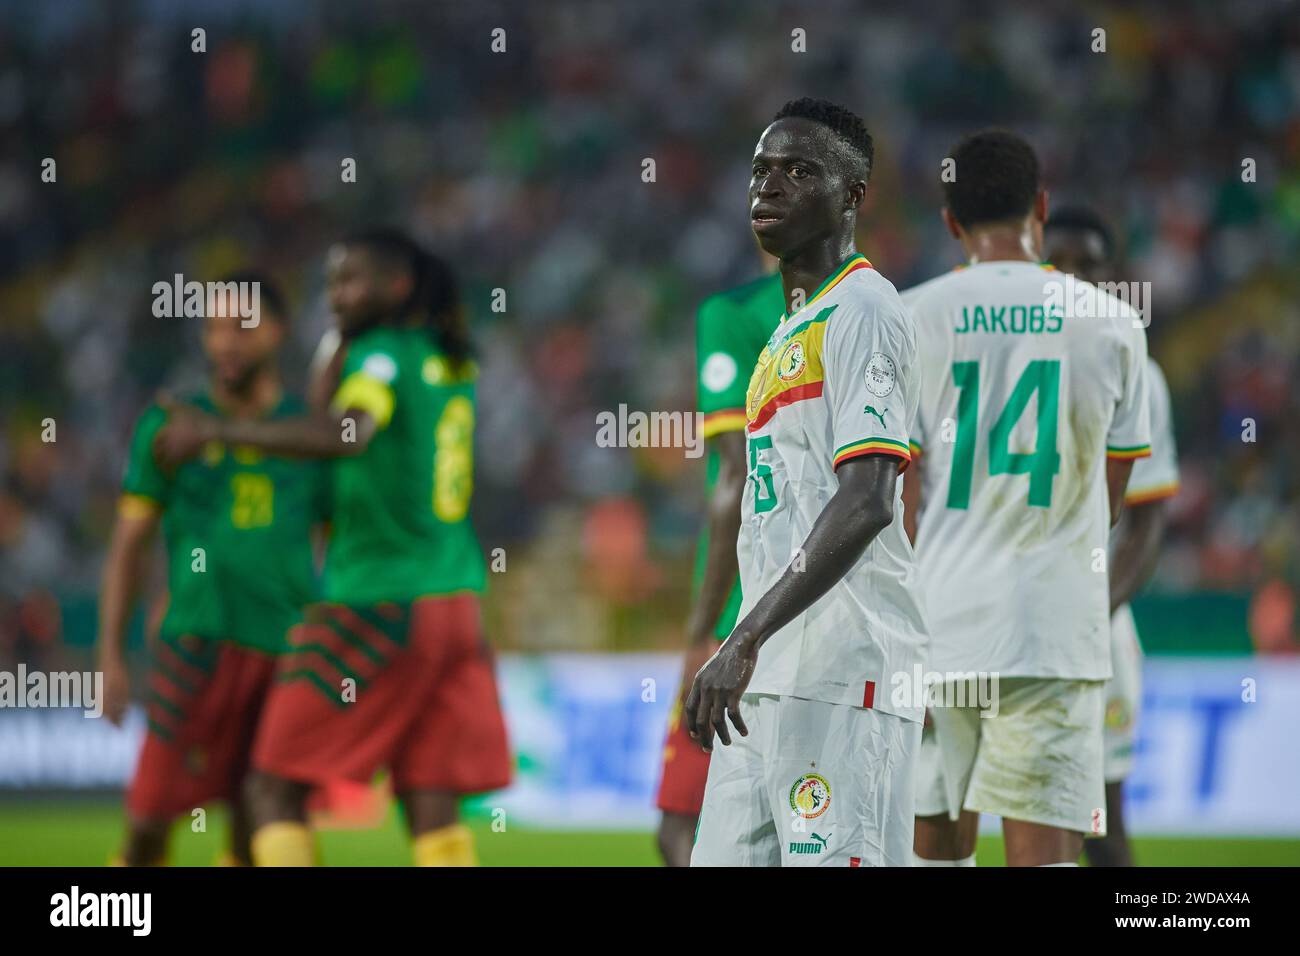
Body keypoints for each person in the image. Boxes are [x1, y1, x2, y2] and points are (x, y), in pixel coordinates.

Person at [154, 230, 511, 866]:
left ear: (396, 286)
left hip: (380, 598)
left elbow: (347, 432)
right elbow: (331, 421)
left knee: (270, 783)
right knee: (430, 798)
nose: (335, 296)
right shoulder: (448, 358)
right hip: (455, 604)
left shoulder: (380, 357)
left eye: (349, 282)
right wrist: (334, 347)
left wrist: (218, 431)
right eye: (329, 284)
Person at [686, 98, 929, 867]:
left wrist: (742, 636)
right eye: (761, 169)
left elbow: (868, 500)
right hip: (765, 677)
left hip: (844, 673)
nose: (769, 185)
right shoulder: (787, 332)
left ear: (852, 196)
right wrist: (742, 643)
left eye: (798, 170)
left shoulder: (864, 310)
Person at [902, 131, 1151, 866]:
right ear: (1041, 208)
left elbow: (896, 499)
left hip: (941, 623)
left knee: (933, 840)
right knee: (1041, 850)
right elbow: (1109, 501)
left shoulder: (910, 317)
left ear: (950, 221)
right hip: (1052, 626)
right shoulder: (1114, 323)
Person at [98, 274, 324, 866]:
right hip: (194, 645)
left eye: (241, 327)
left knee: (259, 822)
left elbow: (336, 539)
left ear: (278, 331)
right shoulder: (170, 425)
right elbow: (129, 545)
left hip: (285, 653)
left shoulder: (309, 434)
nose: (225, 342)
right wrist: (111, 655)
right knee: (148, 822)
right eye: (214, 328)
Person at [1044, 205, 1180, 867]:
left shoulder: (1137, 371)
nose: (1073, 279)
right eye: (1058, 265)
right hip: (989, 616)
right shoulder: (997, 357)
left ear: (1112, 275)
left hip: (1093, 629)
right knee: (949, 817)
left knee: (1101, 826)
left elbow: (1146, 521)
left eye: (1088, 266)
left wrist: (1091, 614)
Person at [655, 258, 784, 867]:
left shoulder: (731, 315)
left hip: (743, 620)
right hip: (840, 611)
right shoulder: (881, 310)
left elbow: (736, 471)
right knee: (812, 830)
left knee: (682, 824)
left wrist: (701, 631)